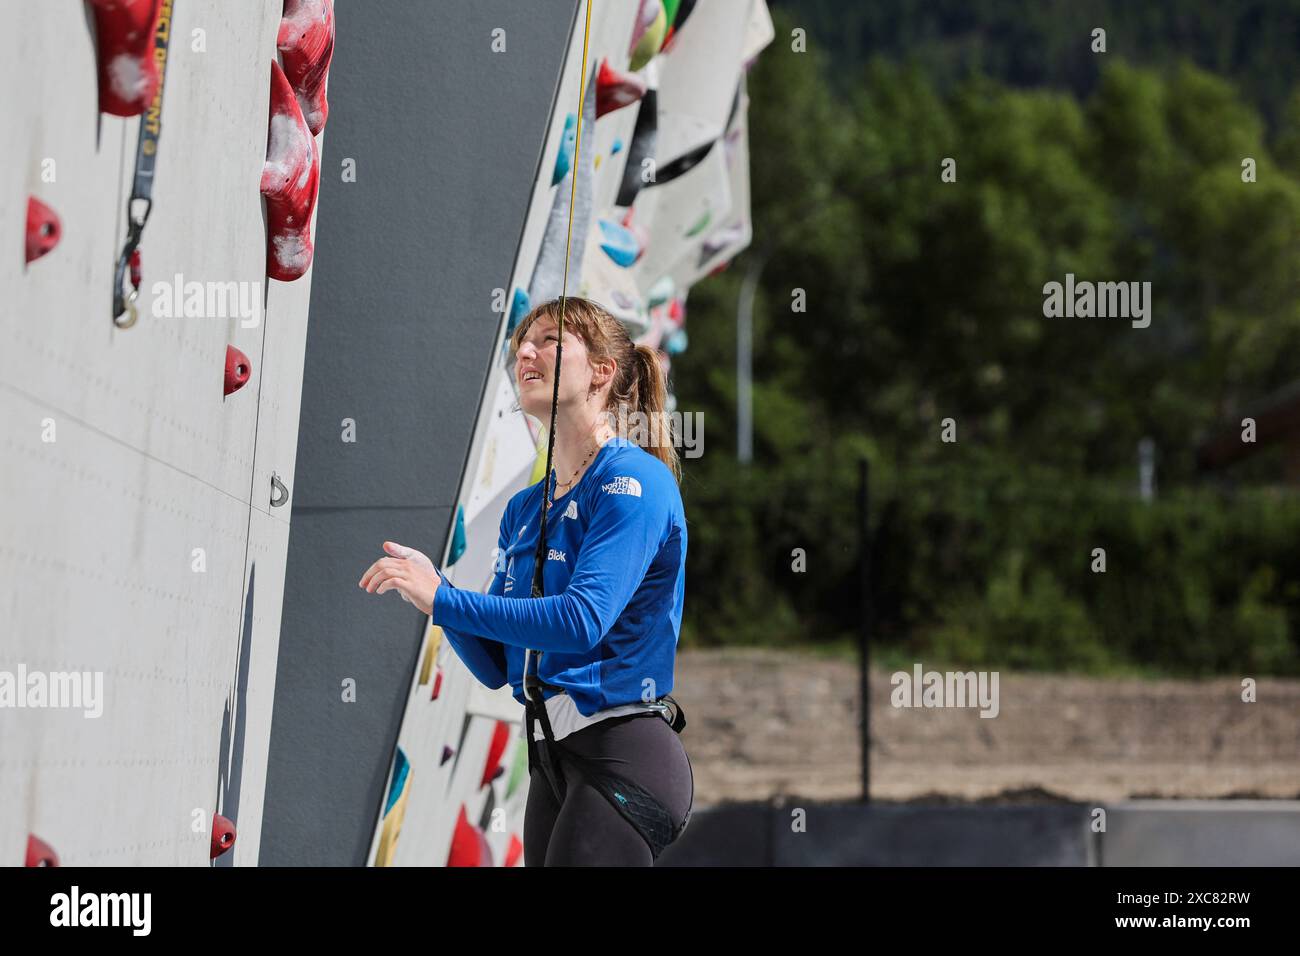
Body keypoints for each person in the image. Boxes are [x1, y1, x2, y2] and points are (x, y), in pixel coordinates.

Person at [358, 296, 693, 866]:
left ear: (602, 373)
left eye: (550, 340)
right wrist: (437, 594)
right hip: (551, 755)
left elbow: (581, 621)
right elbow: (495, 665)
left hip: (622, 753)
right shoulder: (522, 510)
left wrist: (446, 598)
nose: (527, 351)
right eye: (523, 342)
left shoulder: (634, 480)